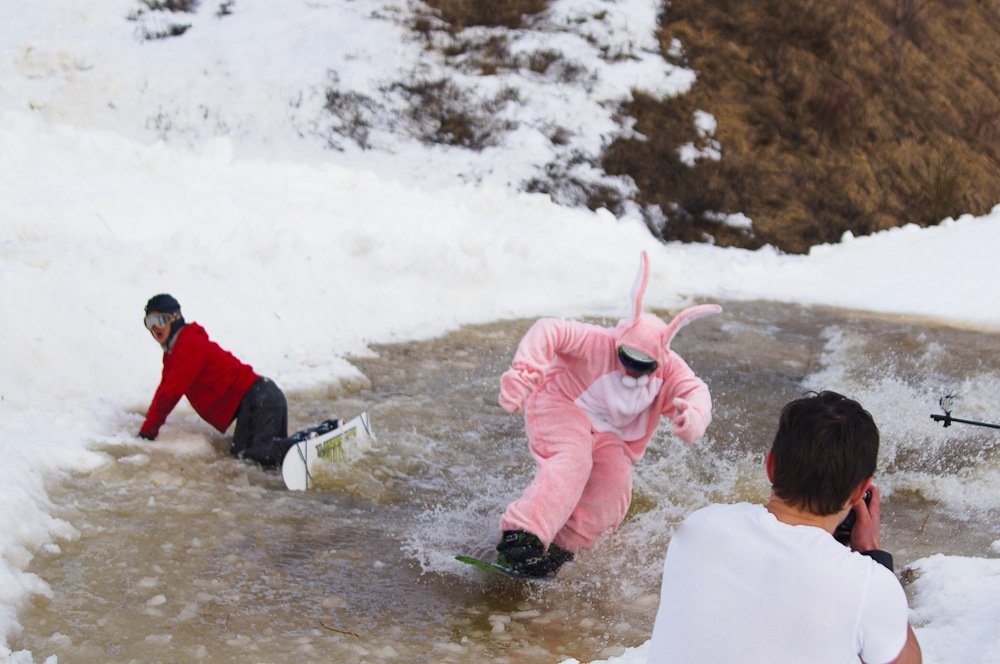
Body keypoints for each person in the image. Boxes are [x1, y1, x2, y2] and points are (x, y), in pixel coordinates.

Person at [648, 390, 922, 663]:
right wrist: (873, 555)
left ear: (770, 465)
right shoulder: (869, 584)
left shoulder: (700, 525)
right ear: (860, 491)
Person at [494, 252, 721, 577]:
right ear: (619, 341)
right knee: (573, 462)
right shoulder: (597, 341)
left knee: (614, 488)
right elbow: (548, 329)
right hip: (562, 405)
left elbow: (696, 391)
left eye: (642, 367)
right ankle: (523, 535)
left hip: (611, 434)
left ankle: (562, 549)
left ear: (660, 360)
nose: (631, 371)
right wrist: (525, 373)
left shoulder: (670, 369)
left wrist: (693, 418)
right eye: (625, 358)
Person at [138, 293, 305, 467]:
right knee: (246, 460)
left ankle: (310, 442)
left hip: (260, 399)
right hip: (257, 400)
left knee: (257, 456)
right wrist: (149, 424)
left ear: (175, 318)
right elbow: (164, 388)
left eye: (160, 320)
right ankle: (311, 442)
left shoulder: (189, 344)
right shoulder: (173, 352)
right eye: (149, 322)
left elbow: (170, 393)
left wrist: (147, 432)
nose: (155, 327)